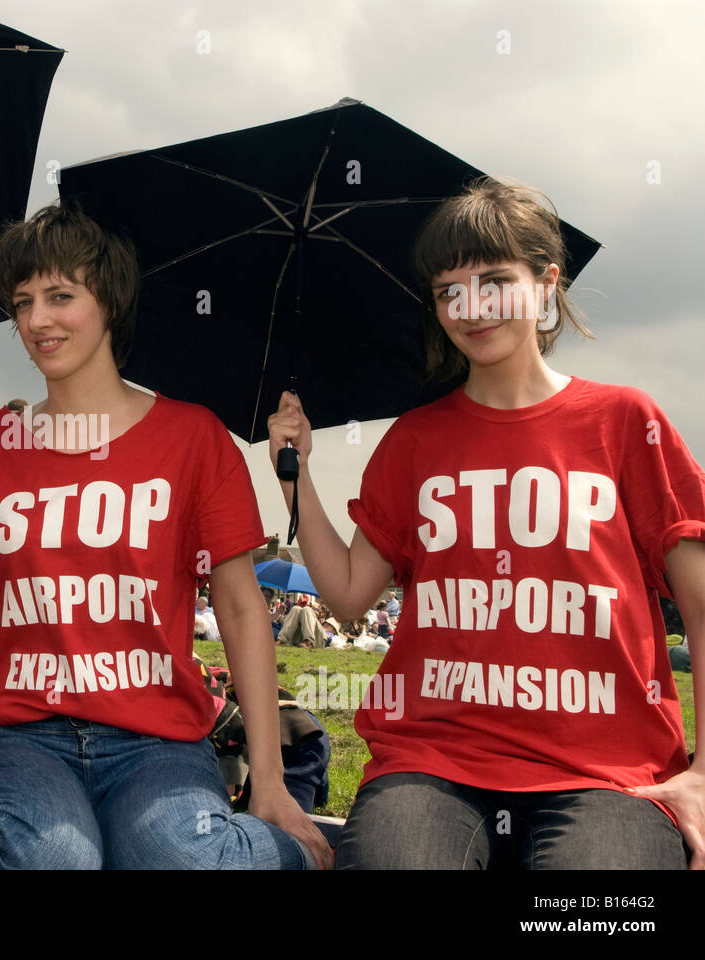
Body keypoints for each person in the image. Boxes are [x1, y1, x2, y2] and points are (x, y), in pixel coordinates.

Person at [0, 203, 329, 870]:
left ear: (109, 302)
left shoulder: (194, 440)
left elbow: (243, 610)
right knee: (54, 858)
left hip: (156, 742)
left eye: (62, 296)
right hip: (14, 736)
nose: (39, 319)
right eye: (23, 301)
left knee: (185, 860)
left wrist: (269, 782)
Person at [268, 177, 705, 870]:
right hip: (433, 763)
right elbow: (349, 595)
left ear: (547, 281)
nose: (471, 307)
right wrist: (299, 476)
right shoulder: (415, 440)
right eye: (448, 291)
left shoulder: (627, 422)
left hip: (609, 773)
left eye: (495, 280)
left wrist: (702, 773)